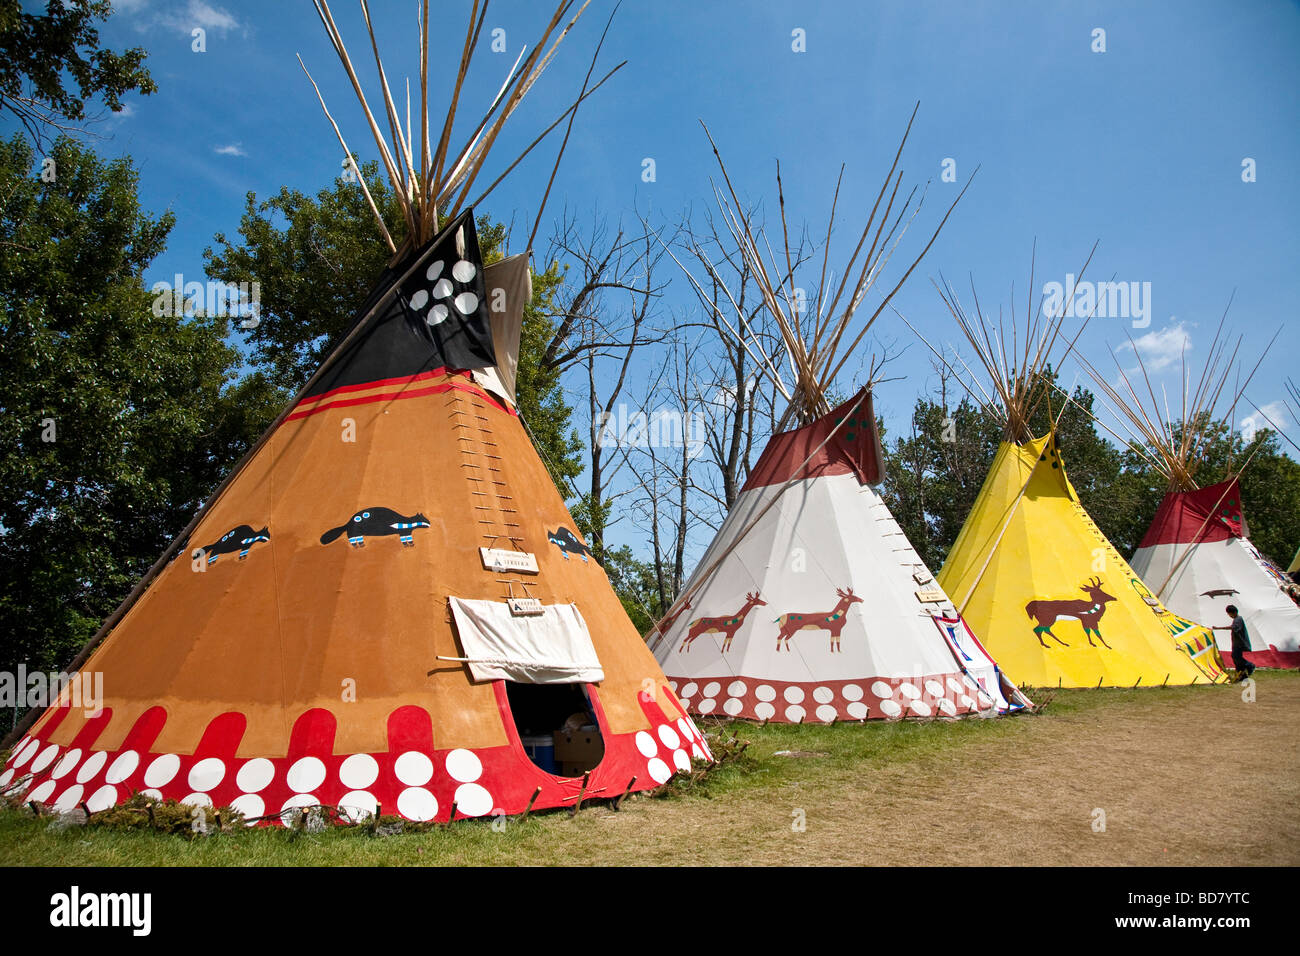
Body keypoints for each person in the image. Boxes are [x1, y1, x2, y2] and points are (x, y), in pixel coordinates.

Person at [1213, 605, 1255, 680]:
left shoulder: (1238, 619)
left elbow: (1233, 627)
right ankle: (1241, 674)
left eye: (1230, 614)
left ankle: (1249, 665)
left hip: (1239, 643)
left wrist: (1219, 628)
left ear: (1234, 612)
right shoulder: (1236, 619)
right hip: (1236, 643)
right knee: (1236, 658)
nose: (1230, 616)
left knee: (1236, 656)